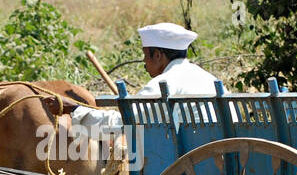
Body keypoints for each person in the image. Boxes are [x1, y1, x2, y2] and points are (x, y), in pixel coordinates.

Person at [72, 22, 218, 131]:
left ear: (158, 56)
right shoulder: (210, 79)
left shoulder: (163, 84)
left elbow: (124, 124)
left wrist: (75, 111)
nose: (144, 62)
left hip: (188, 160)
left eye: (145, 55)